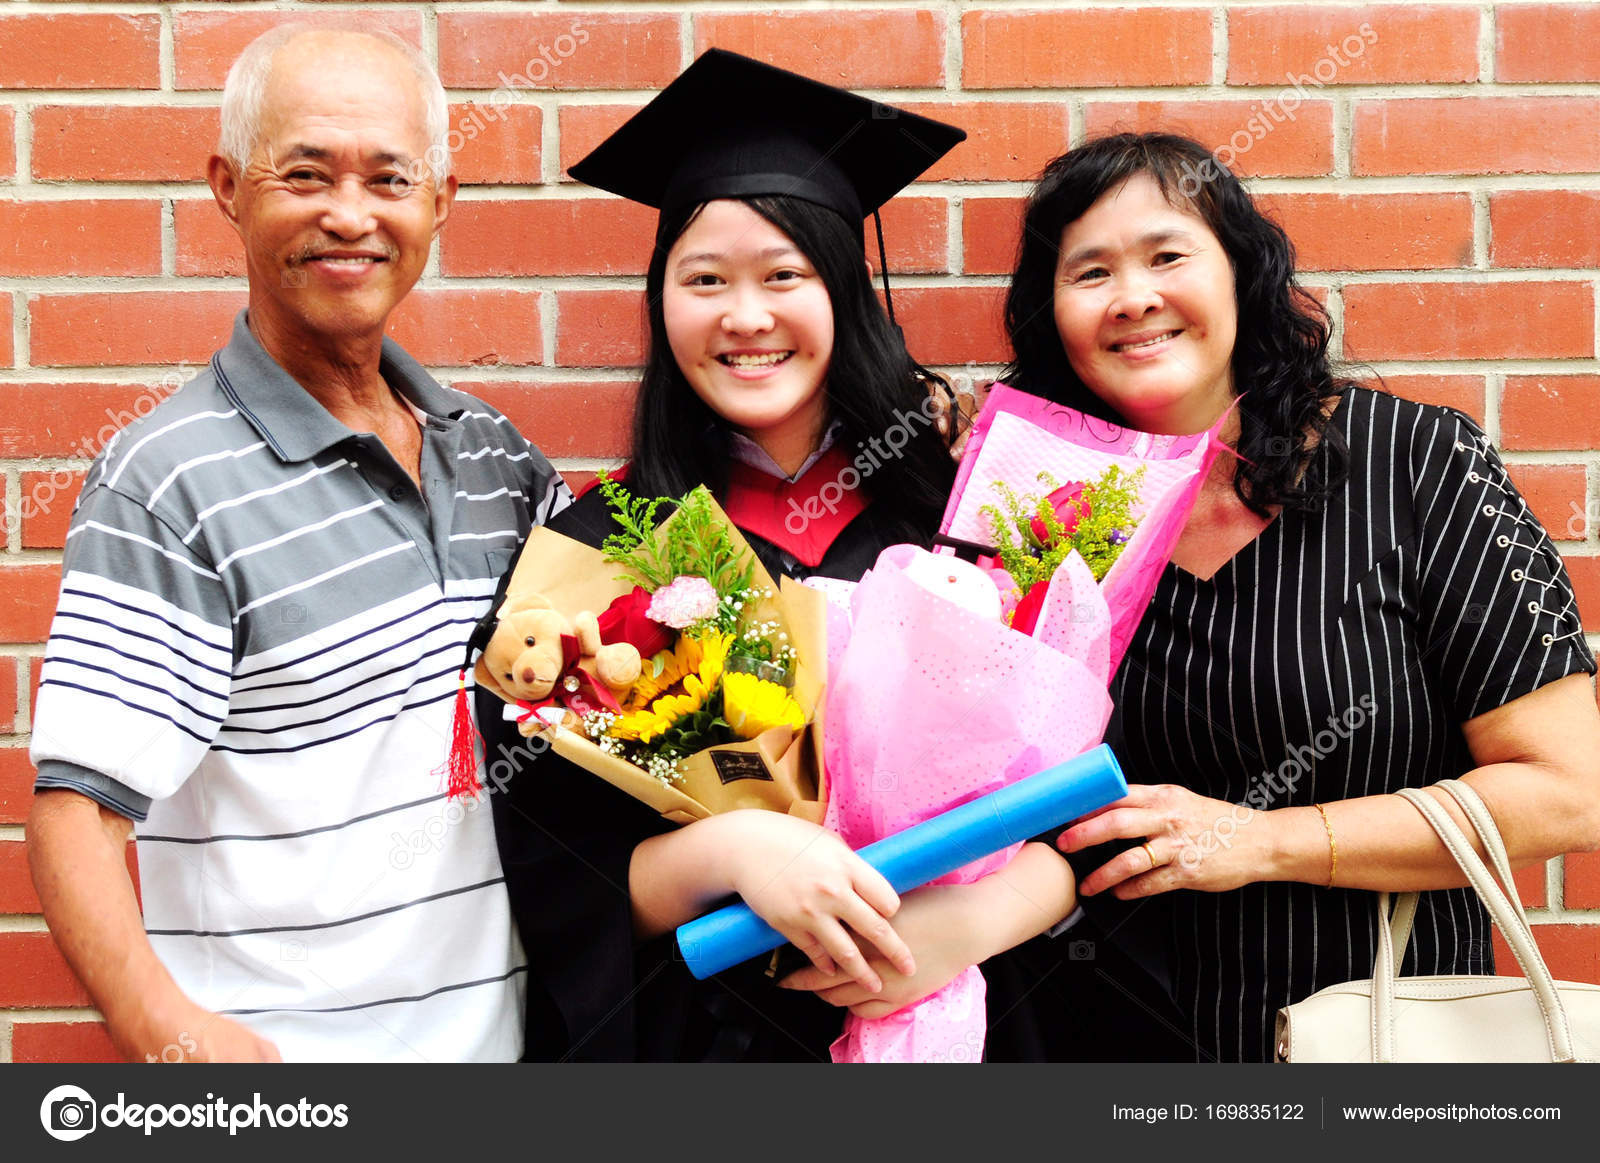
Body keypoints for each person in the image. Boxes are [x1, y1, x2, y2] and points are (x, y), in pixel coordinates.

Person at [482, 50, 1088, 1062]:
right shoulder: (599, 553)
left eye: (784, 275)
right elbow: (557, 878)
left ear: (845, 290)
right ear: (661, 300)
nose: (746, 316)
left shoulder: (969, 523)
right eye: (705, 279)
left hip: (961, 1028)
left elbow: (1082, 809)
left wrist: (969, 924)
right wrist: (734, 846)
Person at [26, 26, 569, 1062]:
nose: (349, 215)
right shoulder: (166, 484)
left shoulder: (497, 457)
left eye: (388, 176)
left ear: (439, 200)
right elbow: (77, 814)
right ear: (229, 187)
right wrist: (167, 1030)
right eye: (305, 173)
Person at [998, 132, 1600, 1062]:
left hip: (1378, 1044)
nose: (1133, 297)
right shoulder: (1039, 512)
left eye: (1167, 254)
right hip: (1111, 1045)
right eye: (1090, 273)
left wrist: (1262, 839)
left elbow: (1571, 791)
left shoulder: (1415, 464)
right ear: (1053, 315)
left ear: (1241, 274)